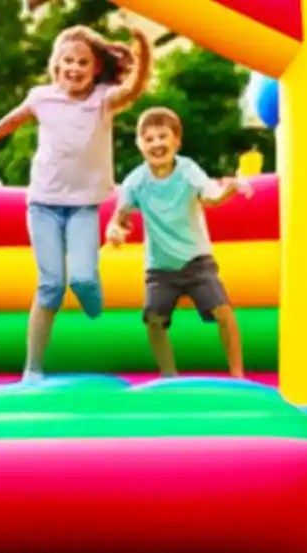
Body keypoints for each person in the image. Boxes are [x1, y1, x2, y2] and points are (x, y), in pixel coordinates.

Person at [0, 25, 151, 384]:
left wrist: (143, 50)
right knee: (51, 286)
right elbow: (11, 122)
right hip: (43, 203)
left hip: (83, 206)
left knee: (83, 279)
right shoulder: (41, 97)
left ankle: (91, 294)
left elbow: (134, 88)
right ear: (56, 65)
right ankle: (32, 368)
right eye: (68, 61)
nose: (74, 68)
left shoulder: (103, 99)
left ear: (96, 68)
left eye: (83, 62)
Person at [105, 107, 253, 378]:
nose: (157, 144)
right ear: (139, 145)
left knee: (223, 312)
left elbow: (211, 198)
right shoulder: (136, 182)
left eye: (163, 136)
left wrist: (230, 190)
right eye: (149, 139)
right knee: (153, 320)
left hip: (197, 260)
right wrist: (114, 231)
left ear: (177, 141)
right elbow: (119, 218)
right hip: (160, 267)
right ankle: (168, 375)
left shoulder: (188, 171)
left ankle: (237, 373)